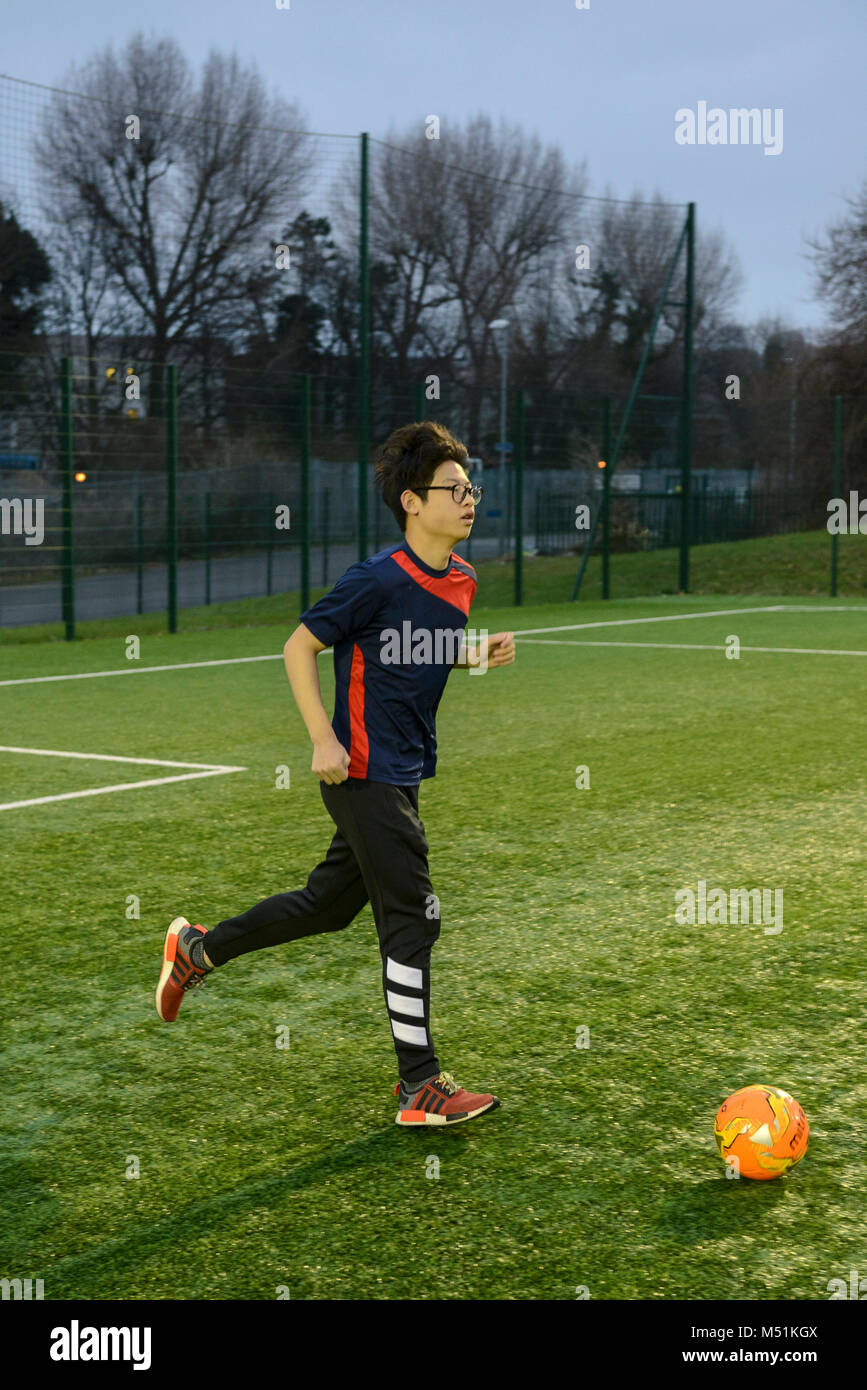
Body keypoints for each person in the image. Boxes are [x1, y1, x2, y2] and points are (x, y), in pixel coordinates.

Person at [155, 419, 515, 1126]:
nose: (469, 498)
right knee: (410, 913)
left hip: (405, 770)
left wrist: (471, 655)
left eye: (472, 487)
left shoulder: (461, 580)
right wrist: (321, 739)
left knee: (329, 905)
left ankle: (197, 950)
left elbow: (417, 648)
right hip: (360, 770)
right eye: (453, 488)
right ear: (412, 502)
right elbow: (297, 648)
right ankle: (420, 1086)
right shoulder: (373, 579)